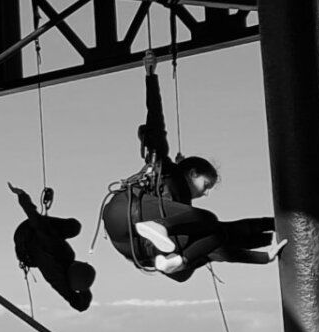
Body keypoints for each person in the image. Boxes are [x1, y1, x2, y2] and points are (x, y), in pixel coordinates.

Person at [100, 54, 286, 281]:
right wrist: (150, 76)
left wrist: (266, 250)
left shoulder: (184, 214)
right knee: (207, 219)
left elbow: (220, 245)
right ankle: (160, 228)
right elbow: (156, 125)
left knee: (207, 243)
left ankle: (176, 259)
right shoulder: (167, 172)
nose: (206, 193)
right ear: (193, 173)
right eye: (206, 185)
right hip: (125, 212)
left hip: (132, 244)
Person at [9, 184, 96, 312]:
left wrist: (22, 196)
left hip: (26, 234)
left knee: (73, 227)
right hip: (29, 249)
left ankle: (51, 227)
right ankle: (49, 228)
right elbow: (80, 306)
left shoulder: (59, 253)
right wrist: (84, 288)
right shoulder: (61, 283)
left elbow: (35, 220)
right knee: (68, 228)